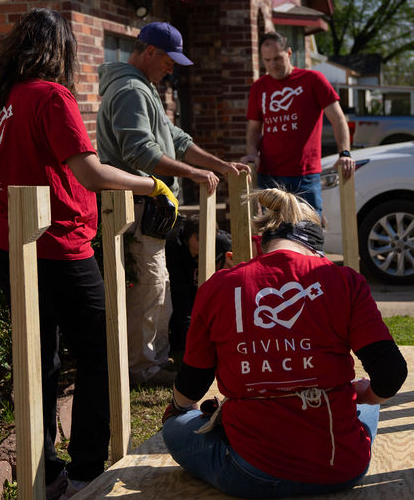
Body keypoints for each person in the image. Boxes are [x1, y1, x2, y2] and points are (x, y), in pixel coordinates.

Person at [0, 8, 178, 498]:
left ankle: (44, 472)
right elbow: (90, 172)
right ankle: (86, 469)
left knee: (37, 354)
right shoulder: (51, 96)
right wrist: (150, 184)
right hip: (56, 241)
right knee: (98, 350)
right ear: (58, 51)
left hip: (3, 237)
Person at [162, 188, 408, 498]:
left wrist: (179, 410)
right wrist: (369, 393)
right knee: (367, 403)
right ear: (315, 247)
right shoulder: (343, 281)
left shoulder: (220, 286)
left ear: (262, 242)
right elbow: (391, 372)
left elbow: (193, 382)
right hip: (340, 469)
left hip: (251, 475)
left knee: (174, 427)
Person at [96, 22, 250, 387]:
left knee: (157, 286)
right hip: (134, 209)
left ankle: (151, 360)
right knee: (149, 287)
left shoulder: (144, 88)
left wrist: (218, 165)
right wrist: (194, 174)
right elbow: (142, 152)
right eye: (168, 60)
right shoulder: (131, 90)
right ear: (149, 51)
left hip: (151, 211)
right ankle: (140, 369)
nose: (172, 68)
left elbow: (176, 140)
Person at [242, 31, 355, 215]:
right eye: (267, 60)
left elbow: (338, 118)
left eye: (277, 58)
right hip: (269, 175)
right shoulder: (259, 87)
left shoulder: (312, 80)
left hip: (304, 175)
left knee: (308, 231)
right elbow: (254, 129)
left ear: (288, 53)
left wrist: (344, 153)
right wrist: (252, 153)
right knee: (273, 234)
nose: (273, 65)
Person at [165, 215, 235, 360]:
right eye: (199, 242)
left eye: (209, 242)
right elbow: (181, 298)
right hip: (185, 295)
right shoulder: (174, 247)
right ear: (189, 236)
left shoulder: (223, 244)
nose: (203, 249)